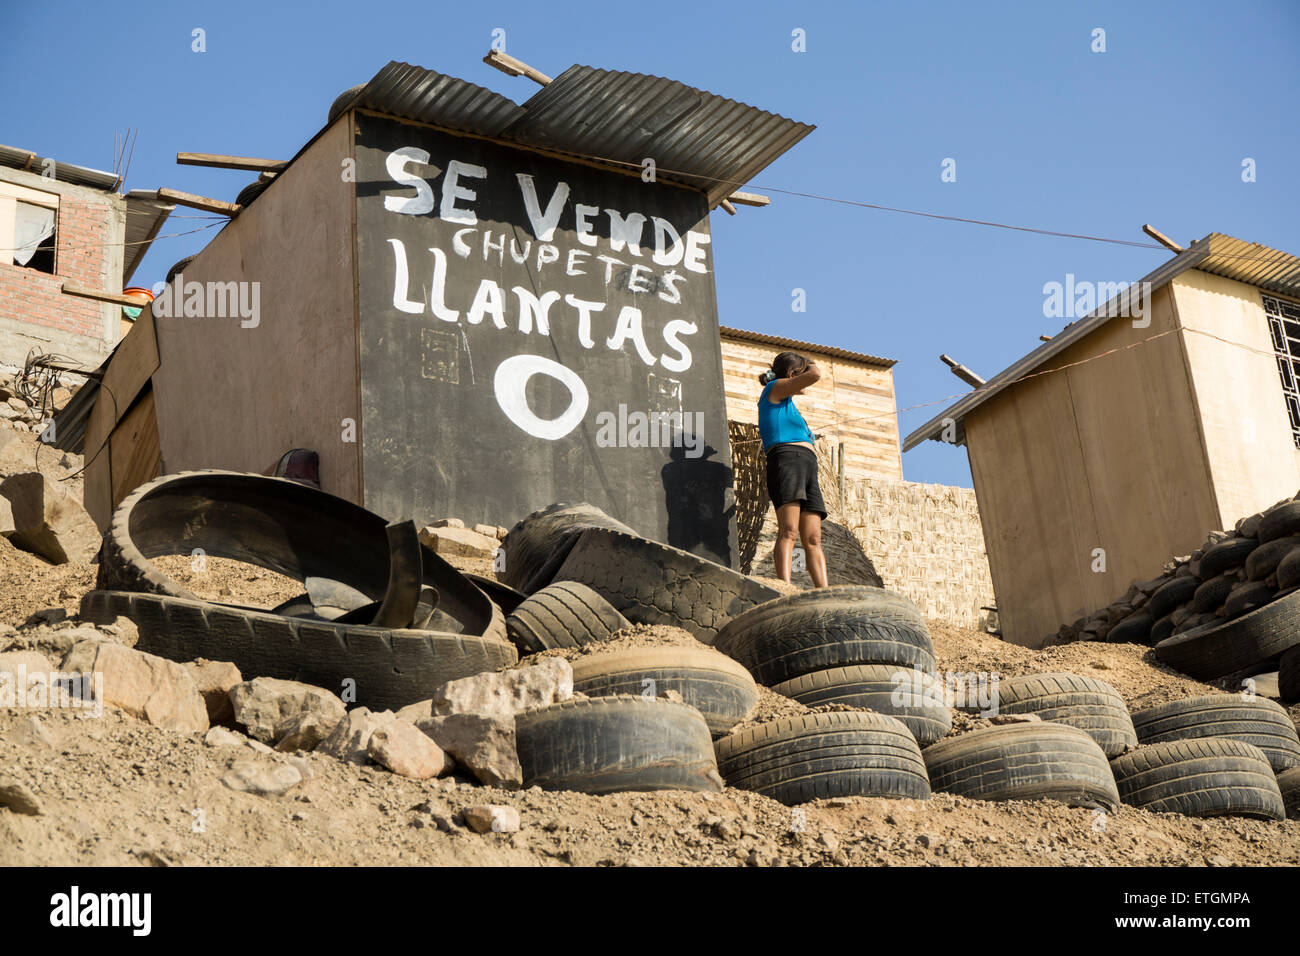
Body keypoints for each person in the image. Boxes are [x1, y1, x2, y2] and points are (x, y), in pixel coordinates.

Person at [757, 351, 828, 587]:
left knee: (813, 537)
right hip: (786, 459)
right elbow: (816, 373)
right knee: (789, 530)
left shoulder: (790, 406)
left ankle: (824, 590)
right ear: (791, 374)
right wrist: (809, 363)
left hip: (807, 464)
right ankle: (784, 586)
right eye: (801, 372)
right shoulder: (774, 389)